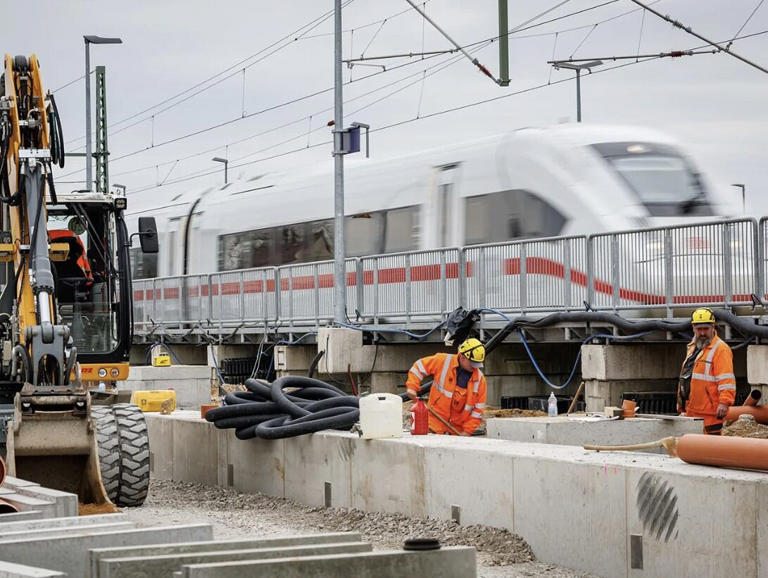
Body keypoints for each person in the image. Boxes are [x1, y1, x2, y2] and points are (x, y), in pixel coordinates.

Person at [406, 338, 488, 436]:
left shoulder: (480, 380)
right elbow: (419, 367)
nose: (475, 367)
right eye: (472, 363)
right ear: (462, 357)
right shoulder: (443, 361)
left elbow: (477, 412)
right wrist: (412, 387)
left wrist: (467, 431)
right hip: (433, 426)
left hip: (456, 432)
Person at [677, 308, 736, 435]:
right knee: (693, 449)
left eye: (706, 329)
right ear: (693, 328)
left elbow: (726, 380)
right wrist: (681, 404)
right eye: (699, 329)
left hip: (711, 412)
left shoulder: (721, 349)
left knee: (710, 450)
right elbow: (687, 377)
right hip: (692, 409)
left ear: (713, 327)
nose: (703, 333)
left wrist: (724, 402)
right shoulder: (693, 347)